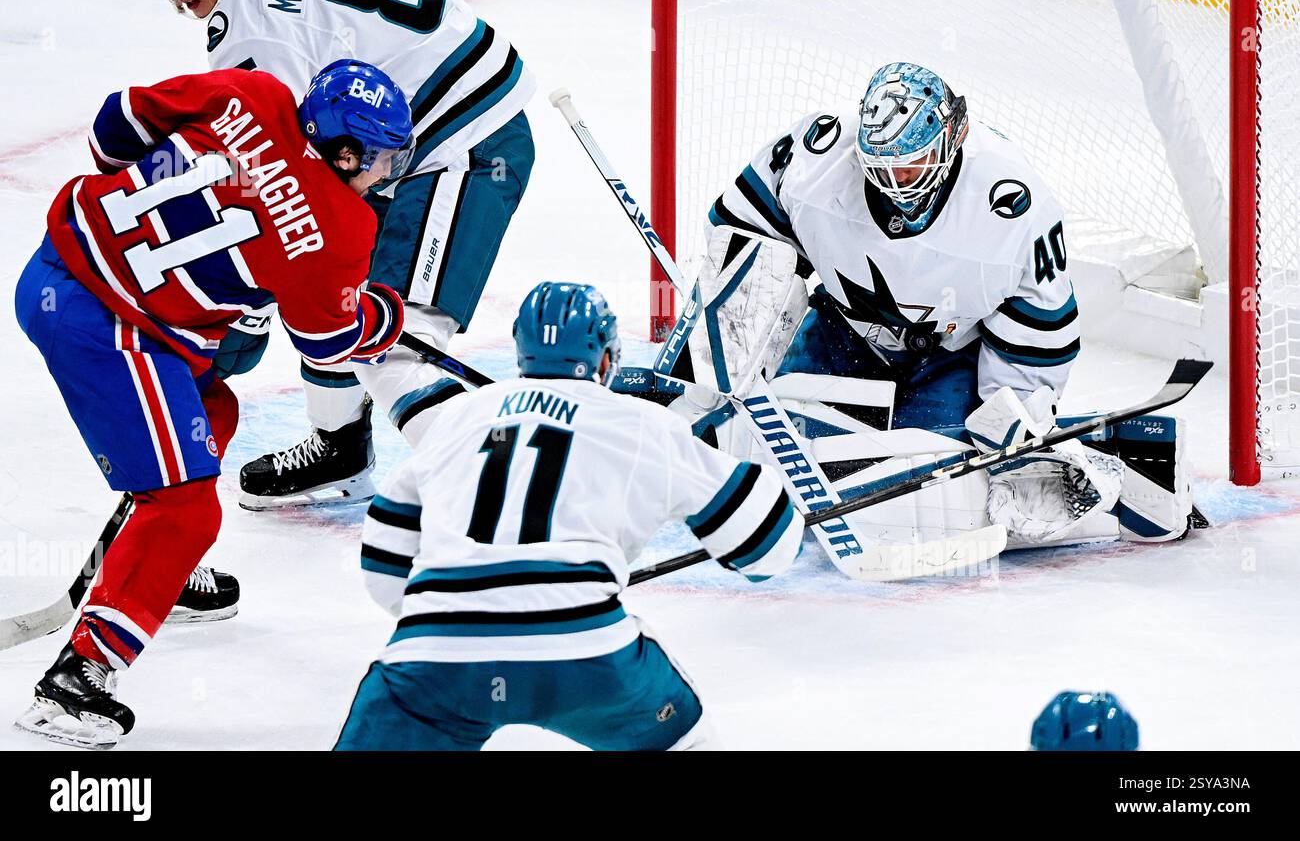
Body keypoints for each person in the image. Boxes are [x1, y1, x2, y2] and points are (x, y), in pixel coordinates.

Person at [13, 60, 411, 749]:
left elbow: (117, 123)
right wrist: (386, 316)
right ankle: (77, 678)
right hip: (108, 331)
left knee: (213, 411)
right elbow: (330, 341)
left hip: (55, 265)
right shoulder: (342, 224)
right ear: (346, 152)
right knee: (186, 505)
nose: (383, 172)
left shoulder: (251, 92)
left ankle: (150, 575)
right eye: (378, 158)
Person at [132, 0, 536, 508]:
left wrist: (252, 305)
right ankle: (340, 447)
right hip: (402, 134)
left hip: (468, 144)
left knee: (395, 347)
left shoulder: (253, 41)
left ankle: (490, 500)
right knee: (334, 293)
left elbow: (289, 172)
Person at [670, 61, 1127, 545]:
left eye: (910, 164)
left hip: (954, 358)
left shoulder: (1011, 206)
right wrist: (723, 368)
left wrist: (1013, 431)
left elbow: (1038, 335)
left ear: (952, 138)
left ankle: (1067, 448)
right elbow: (739, 241)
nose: (896, 182)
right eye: (881, 165)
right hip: (843, 332)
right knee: (769, 452)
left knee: (918, 488)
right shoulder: (815, 159)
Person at [336, 282, 802, 750]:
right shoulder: (640, 424)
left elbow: (384, 566)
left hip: (435, 656)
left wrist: (460, 609)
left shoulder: (457, 419)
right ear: (605, 357)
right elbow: (767, 542)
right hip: (586, 654)